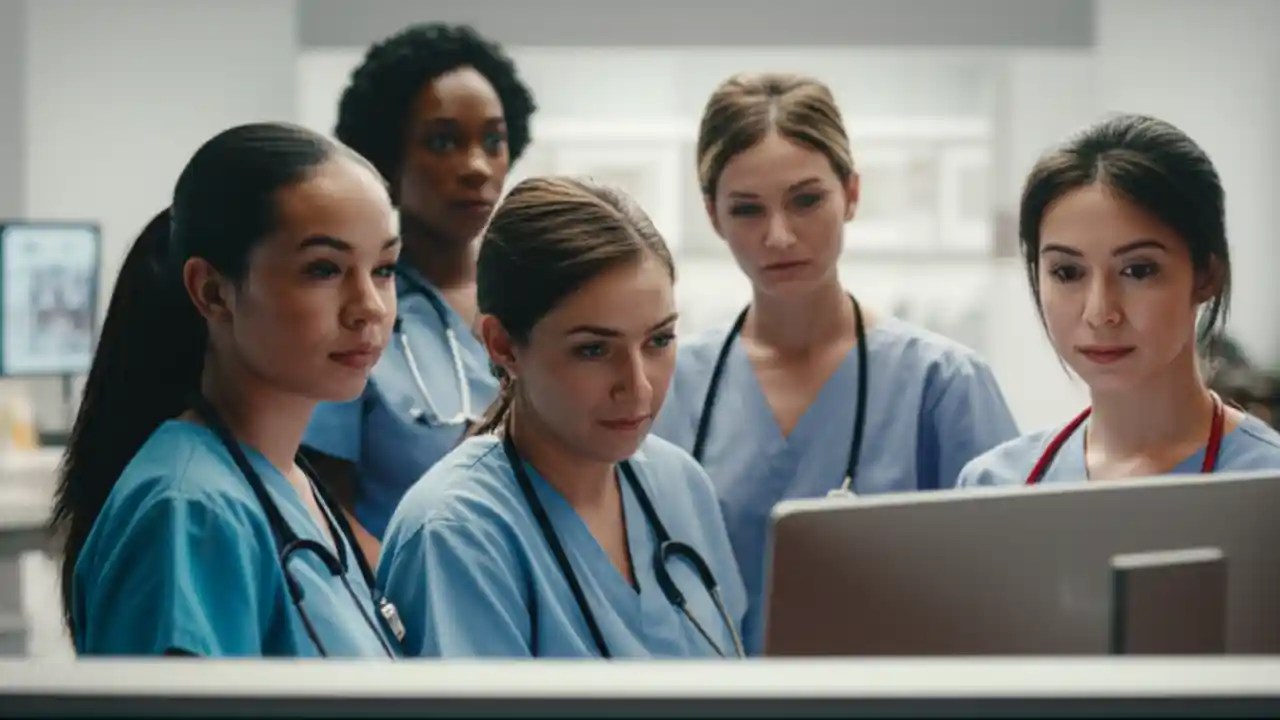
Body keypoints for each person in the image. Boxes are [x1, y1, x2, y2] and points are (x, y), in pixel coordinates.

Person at [650, 73, 1019, 653]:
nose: (778, 236)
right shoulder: (667, 386)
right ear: (713, 216)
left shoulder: (941, 385)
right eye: (747, 209)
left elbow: (1006, 599)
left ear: (851, 193)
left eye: (806, 200)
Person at [50, 122, 404, 657]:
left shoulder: (291, 483)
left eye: (383, 269)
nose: (370, 307)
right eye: (324, 269)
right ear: (213, 292)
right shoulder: (189, 512)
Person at [377, 176, 747, 658]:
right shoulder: (456, 534)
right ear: (503, 345)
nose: (639, 386)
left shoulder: (681, 485)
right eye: (593, 349)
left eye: (658, 341)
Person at [302, 23, 538, 563]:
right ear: (388, 158)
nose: (477, 167)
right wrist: (407, 603)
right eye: (442, 141)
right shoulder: (355, 313)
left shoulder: (538, 301)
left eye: (494, 141)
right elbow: (321, 505)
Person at [958, 113, 1280, 488]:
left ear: (1207, 275)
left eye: (1138, 270)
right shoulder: (993, 487)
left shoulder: (1267, 482)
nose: (1100, 313)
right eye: (1067, 273)